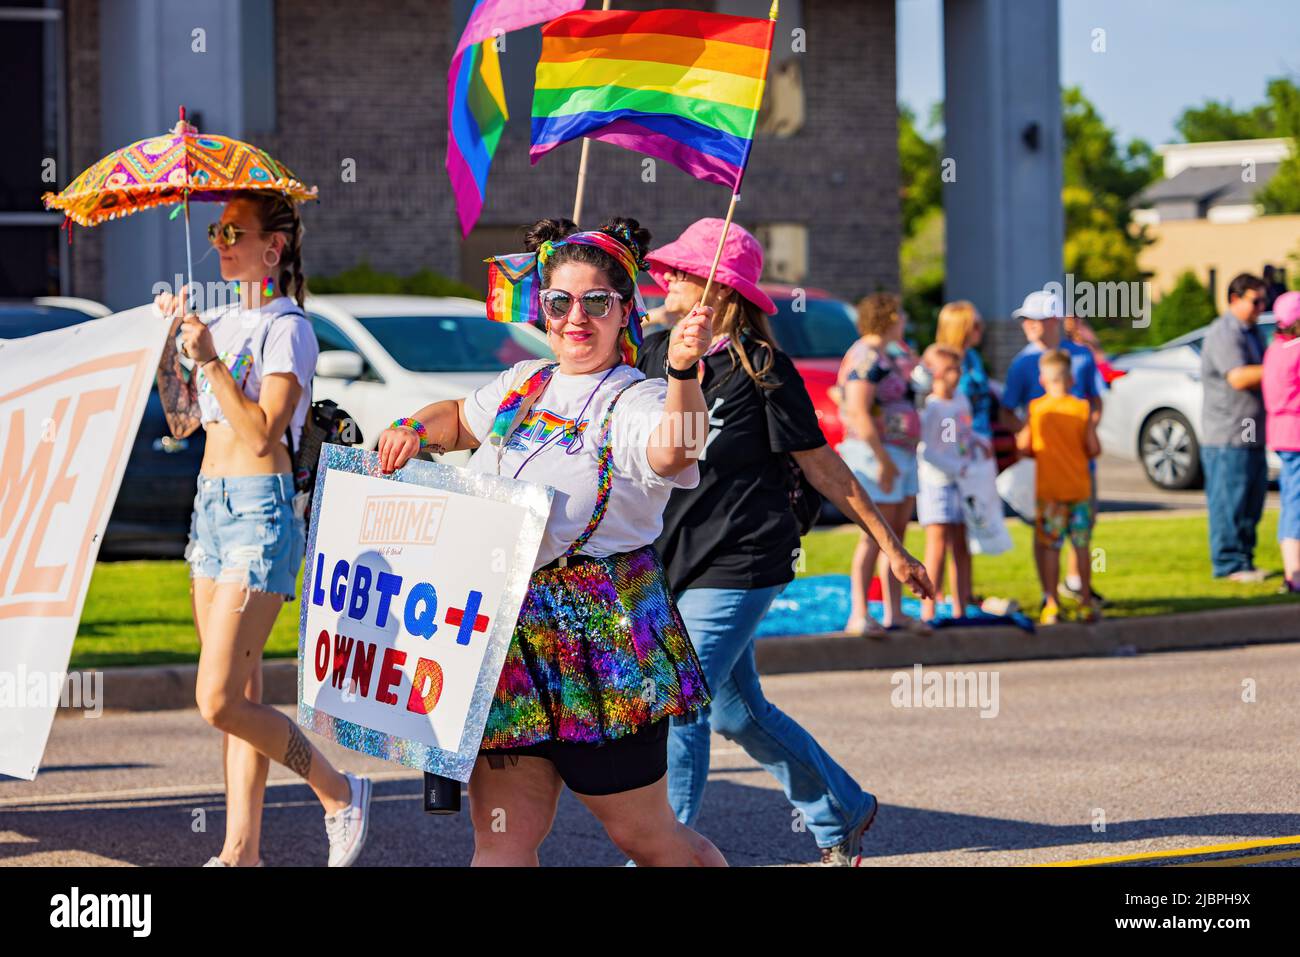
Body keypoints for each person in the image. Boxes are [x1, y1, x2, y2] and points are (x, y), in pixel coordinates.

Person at [376, 217, 725, 867]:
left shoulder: (637, 399)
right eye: (560, 301)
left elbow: (677, 446)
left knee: (643, 834)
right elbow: (456, 418)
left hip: (602, 640)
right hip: (500, 635)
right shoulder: (525, 383)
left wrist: (683, 371)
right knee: (504, 836)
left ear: (627, 310)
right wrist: (409, 428)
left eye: (597, 302)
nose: (576, 317)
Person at [635, 218, 933, 865]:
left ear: (719, 290)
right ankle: (844, 809)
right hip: (675, 561)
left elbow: (824, 466)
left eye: (685, 272)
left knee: (680, 704)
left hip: (744, 560)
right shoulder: (655, 355)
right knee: (736, 712)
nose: (669, 279)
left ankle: (661, 855)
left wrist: (892, 546)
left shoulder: (763, 369)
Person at [155, 190, 371, 867]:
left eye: (236, 231)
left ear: (272, 249)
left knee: (216, 697)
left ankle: (338, 789)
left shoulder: (289, 327)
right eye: (217, 229)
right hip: (209, 510)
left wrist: (214, 359)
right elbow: (184, 420)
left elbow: (260, 434)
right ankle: (239, 852)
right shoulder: (216, 317)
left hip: (260, 509)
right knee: (242, 694)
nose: (221, 240)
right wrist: (175, 347)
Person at [1001, 290, 1104, 608]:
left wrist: (1081, 431)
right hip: (1045, 470)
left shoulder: (1082, 356)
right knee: (1047, 534)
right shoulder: (1022, 363)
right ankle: (1054, 596)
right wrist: (1033, 437)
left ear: (1052, 321)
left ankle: (1071, 588)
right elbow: (1008, 409)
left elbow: (1096, 399)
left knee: (1074, 533)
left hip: (1076, 467)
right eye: (1026, 320)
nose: (1028, 325)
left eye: (1034, 319)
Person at [836, 292, 931, 636]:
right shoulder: (864, 356)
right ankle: (860, 614)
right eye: (901, 315)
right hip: (876, 455)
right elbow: (859, 411)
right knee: (874, 537)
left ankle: (895, 612)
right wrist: (883, 460)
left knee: (898, 537)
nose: (905, 320)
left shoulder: (889, 354)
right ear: (889, 317)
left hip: (900, 455)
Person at [1015, 350, 1101, 624]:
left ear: (1043, 379)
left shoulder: (1037, 409)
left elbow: (1024, 447)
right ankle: (1085, 602)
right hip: (1079, 488)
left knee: (1050, 546)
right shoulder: (1082, 408)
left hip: (1049, 491)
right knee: (1082, 546)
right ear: (1071, 378)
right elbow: (1093, 448)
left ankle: (1051, 602)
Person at [1200, 273, 1270, 582]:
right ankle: (1228, 563)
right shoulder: (1224, 333)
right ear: (1234, 299)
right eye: (1255, 301)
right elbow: (1238, 377)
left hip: (1251, 429)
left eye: (1263, 301)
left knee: (1251, 499)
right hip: (1228, 432)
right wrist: (1280, 367)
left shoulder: (1251, 331)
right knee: (1229, 499)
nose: (1260, 307)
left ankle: (1245, 560)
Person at [916, 344, 981, 622]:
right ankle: (928, 609)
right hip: (937, 483)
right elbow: (927, 450)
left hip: (961, 481)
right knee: (937, 545)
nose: (957, 375)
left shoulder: (961, 400)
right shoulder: (932, 408)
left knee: (961, 543)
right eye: (951, 369)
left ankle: (961, 606)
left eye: (958, 368)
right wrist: (956, 466)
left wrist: (979, 444)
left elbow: (964, 434)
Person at [1262, 291, 1300, 593]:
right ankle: (1294, 575)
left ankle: (1292, 572)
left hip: (1282, 435)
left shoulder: (1274, 349)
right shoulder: (1296, 351)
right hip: (1296, 435)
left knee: (1291, 499)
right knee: (1295, 504)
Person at [935, 300, 994, 442]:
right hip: (958, 442)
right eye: (976, 325)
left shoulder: (972, 356)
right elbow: (943, 408)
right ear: (961, 328)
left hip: (982, 438)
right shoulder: (941, 359)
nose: (982, 329)